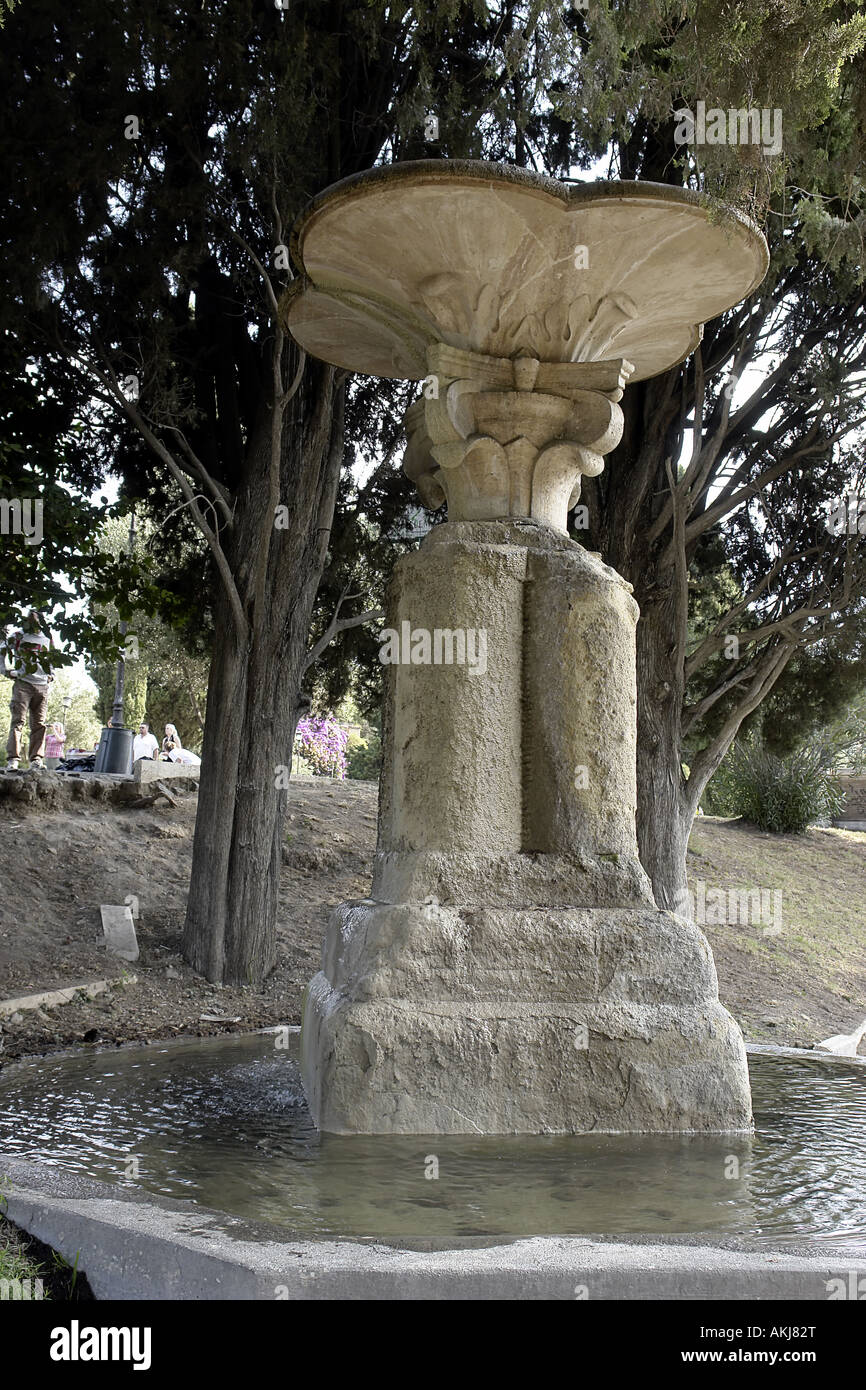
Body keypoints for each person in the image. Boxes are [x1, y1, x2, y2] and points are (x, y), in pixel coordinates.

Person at [2, 610, 54, 771]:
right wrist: (5, 670)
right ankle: (13, 760)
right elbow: (1, 649)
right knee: (18, 721)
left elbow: (52, 656)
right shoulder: (18, 636)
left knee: (39, 724)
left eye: (35, 619)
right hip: (23, 683)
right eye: (29, 619)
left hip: (42, 686)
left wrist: (51, 674)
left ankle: (36, 760)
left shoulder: (47, 638)